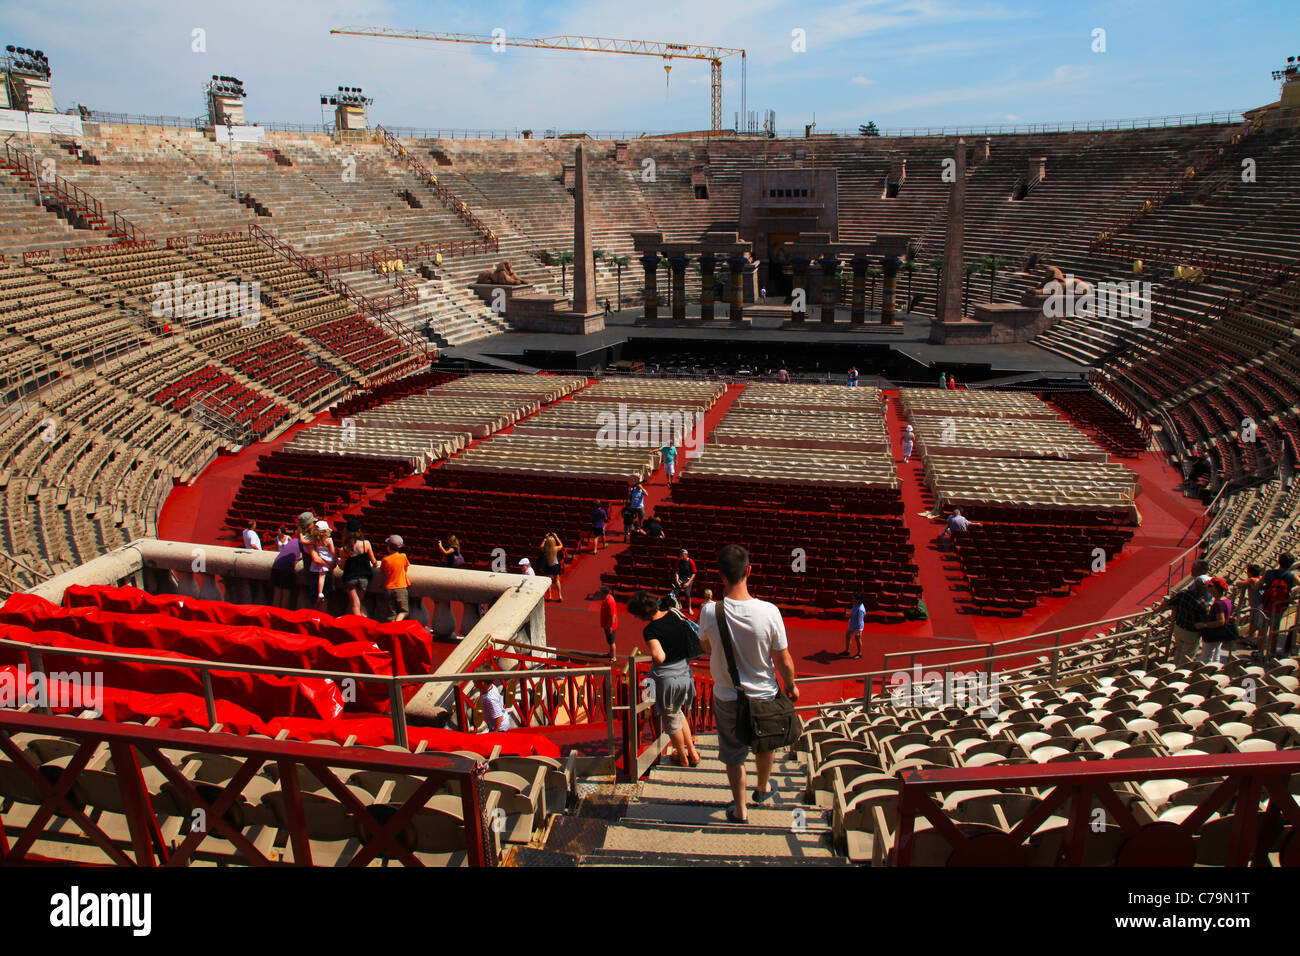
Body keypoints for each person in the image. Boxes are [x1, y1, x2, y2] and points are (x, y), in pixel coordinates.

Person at [698, 544, 799, 824]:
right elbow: (784, 660)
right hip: (765, 695)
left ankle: (740, 809)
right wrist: (791, 687)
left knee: (733, 753)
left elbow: (705, 646)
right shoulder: (770, 612)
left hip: (728, 697)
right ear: (749, 571)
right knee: (765, 744)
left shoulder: (708, 612)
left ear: (720, 575)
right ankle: (763, 787)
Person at [627, 589, 702, 767]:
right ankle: (692, 753)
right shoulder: (674, 614)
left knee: (671, 721)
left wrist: (651, 653)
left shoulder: (650, 630)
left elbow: (659, 656)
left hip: (668, 680)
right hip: (685, 672)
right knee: (679, 713)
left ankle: (683, 758)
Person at [270, 512, 316, 609]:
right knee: (286, 595)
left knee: (277, 594)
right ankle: (281, 618)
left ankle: (274, 616)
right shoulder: (306, 541)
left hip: (276, 566)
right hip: (286, 569)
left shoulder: (295, 539)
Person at [1259, 553, 1299, 659]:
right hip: (1280, 606)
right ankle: (1272, 652)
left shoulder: (1269, 573)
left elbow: (1258, 585)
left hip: (1267, 603)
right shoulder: (1291, 576)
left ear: (1279, 560)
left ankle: (1260, 651)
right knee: (1275, 628)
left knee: (1263, 628)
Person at [338, 517, 379, 617]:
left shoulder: (344, 549)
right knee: (359, 603)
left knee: (355, 605)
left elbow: (342, 567)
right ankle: (364, 622)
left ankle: (358, 625)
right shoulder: (366, 544)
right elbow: (374, 562)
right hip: (364, 578)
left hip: (350, 579)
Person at [1166, 574, 1211, 663]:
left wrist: (1156, 610)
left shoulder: (1183, 593)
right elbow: (1205, 620)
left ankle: (1175, 668)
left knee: (1178, 650)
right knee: (1186, 658)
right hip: (1192, 633)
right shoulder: (1202, 603)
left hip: (1179, 628)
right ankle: (1180, 674)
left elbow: (1169, 603)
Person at [1195, 577, 1234, 664]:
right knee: (1216, 657)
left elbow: (1221, 621)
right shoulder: (1226, 600)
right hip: (1220, 634)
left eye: (1209, 586)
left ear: (1215, 589)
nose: (1207, 587)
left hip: (1213, 635)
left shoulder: (1218, 604)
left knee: (1206, 659)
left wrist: (1204, 625)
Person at [380, 534, 411, 622]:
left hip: (389, 588)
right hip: (401, 587)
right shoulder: (403, 556)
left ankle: (391, 628)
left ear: (389, 547)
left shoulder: (385, 559)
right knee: (404, 611)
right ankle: (396, 625)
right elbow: (406, 567)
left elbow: (382, 570)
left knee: (391, 613)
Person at [307, 520, 337, 608]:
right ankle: (331, 586)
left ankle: (321, 592)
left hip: (316, 566)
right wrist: (334, 561)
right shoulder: (328, 540)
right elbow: (333, 552)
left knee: (316, 599)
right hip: (326, 562)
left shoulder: (314, 541)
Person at [1238, 563, 1266, 647]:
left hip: (1256, 605)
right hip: (1261, 603)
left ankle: (1251, 640)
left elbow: (1240, 583)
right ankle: (1252, 639)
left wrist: (1238, 582)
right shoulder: (1261, 579)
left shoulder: (1251, 580)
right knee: (1257, 623)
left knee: (1255, 623)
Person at [540, 532, 564, 602]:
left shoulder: (545, 549)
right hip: (555, 565)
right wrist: (556, 537)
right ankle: (559, 595)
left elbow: (541, 546)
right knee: (557, 580)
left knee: (548, 580)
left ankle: (550, 596)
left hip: (547, 565)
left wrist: (545, 538)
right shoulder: (555, 548)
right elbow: (561, 545)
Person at [674, 548, 697, 615]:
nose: (681, 557)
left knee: (687, 594)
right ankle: (679, 605)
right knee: (676, 592)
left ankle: (689, 608)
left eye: (682, 555)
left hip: (688, 579)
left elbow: (694, 573)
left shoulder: (691, 561)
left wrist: (688, 582)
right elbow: (677, 572)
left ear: (686, 555)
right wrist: (677, 580)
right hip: (681, 578)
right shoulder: (679, 561)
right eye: (680, 555)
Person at [598, 585, 619, 659]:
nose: (599, 593)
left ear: (604, 593)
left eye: (600, 592)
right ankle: (610, 653)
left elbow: (613, 616)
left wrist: (610, 627)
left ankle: (613, 657)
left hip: (609, 626)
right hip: (606, 624)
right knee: (609, 640)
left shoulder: (610, 602)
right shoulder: (606, 599)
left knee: (611, 641)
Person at [843, 592, 866, 659]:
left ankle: (859, 653)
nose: (852, 599)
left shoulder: (860, 610)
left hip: (857, 627)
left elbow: (859, 621)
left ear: (857, 600)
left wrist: (854, 630)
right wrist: (850, 617)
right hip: (852, 624)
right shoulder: (855, 604)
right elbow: (853, 612)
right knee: (848, 636)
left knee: (857, 639)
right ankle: (847, 651)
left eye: (853, 598)